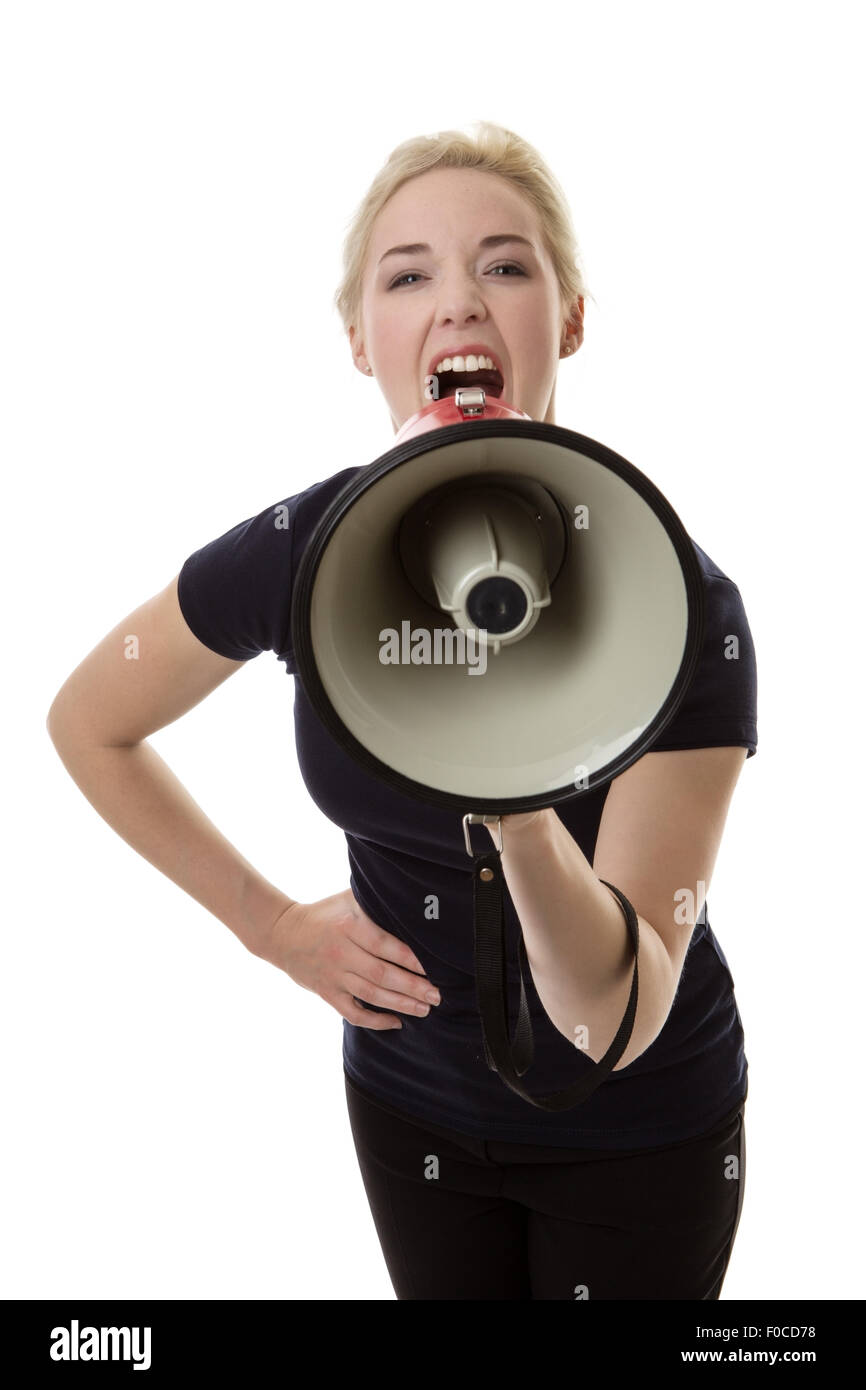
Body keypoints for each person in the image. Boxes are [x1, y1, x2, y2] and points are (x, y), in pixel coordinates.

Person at [46, 122, 757, 1301]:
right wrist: (266, 925)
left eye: (505, 265)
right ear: (359, 338)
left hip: (640, 1135)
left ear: (567, 320)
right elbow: (90, 720)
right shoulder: (300, 552)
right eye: (408, 274)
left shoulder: (681, 607)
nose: (458, 303)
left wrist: (516, 805)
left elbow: (605, 1025)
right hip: (406, 1112)